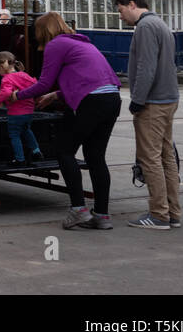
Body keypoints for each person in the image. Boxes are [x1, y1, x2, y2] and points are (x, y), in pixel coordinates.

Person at [9, 12, 121, 230]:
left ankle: (78, 209)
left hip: (91, 102)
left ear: (43, 32)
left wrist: (17, 96)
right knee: (96, 156)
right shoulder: (80, 42)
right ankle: (102, 215)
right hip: (111, 99)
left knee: (64, 150)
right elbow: (87, 78)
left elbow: (43, 83)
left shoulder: (55, 45)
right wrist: (57, 95)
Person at [116, 0, 181, 230]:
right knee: (166, 156)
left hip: (152, 102)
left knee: (149, 157)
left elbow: (146, 67)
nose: (121, 16)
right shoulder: (160, 23)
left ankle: (158, 214)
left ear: (132, 4)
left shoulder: (144, 27)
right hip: (168, 98)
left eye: (121, 10)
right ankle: (172, 211)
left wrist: (137, 100)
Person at [0, 51, 42, 166]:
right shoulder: (24, 75)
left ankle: (20, 159)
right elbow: (36, 84)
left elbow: (6, 92)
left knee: (14, 135)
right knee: (26, 130)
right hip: (29, 112)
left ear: (1, 66)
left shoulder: (7, 79)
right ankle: (36, 151)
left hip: (16, 113)